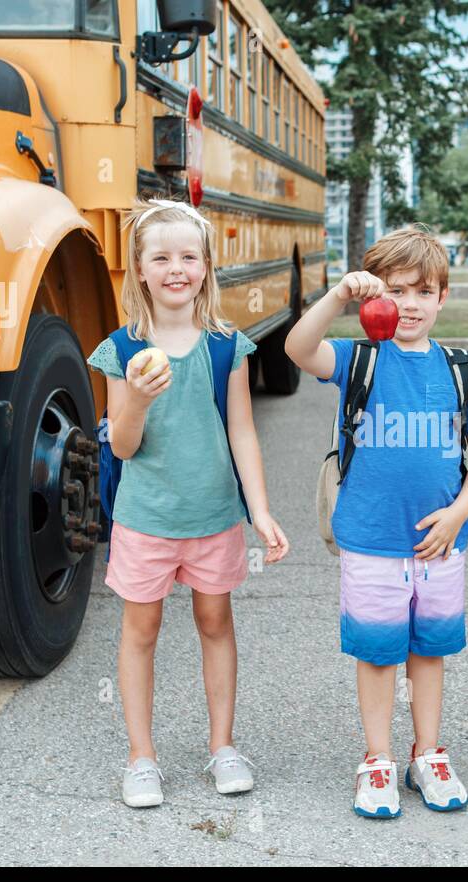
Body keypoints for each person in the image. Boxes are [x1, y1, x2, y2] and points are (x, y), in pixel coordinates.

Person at [285, 225, 468, 819]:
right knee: (379, 654)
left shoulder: (459, 368)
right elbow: (297, 350)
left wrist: (460, 512)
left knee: (428, 652)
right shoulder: (358, 360)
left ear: (442, 297)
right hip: (373, 542)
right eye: (395, 290)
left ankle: (427, 753)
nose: (409, 303)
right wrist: (336, 298)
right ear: (375, 298)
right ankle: (377, 758)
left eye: (422, 290)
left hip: (440, 543)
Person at [87, 198, 290, 808]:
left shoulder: (228, 345)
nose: (176, 268)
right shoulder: (121, 350)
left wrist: (259, 510)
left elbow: (242, 431)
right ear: (139, 271)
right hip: (146, 520)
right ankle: (141, 756)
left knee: (215, 622)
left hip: (212, 518)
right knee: (141, 628)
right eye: (161, 257)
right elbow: (122, 443)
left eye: (189, 256)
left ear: (205, 267)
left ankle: (223, 746)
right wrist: (139, 401)